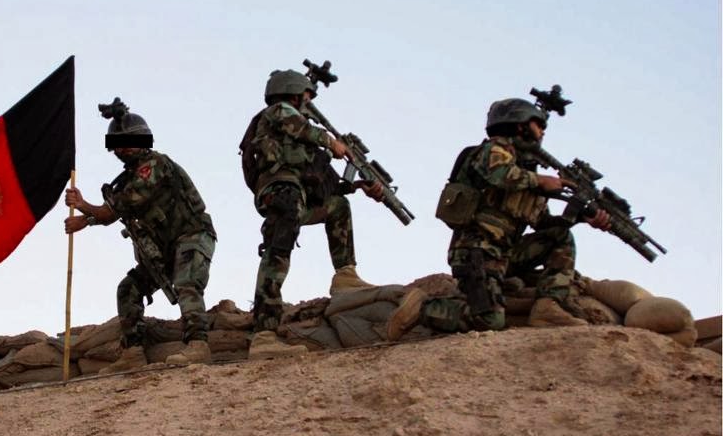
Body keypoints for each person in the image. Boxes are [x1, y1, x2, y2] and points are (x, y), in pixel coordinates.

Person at [387, 98, 610, 340]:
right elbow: (499, 175)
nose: (542, 132)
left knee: (560, 237)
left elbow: (542, 222)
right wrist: (541, 182)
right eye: (538, 125)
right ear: (519, 124)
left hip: (505, 254)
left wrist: (580, 217)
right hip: (476, 252)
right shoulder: (492, 151)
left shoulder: (525, 172)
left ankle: (547, 307)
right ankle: (421, 308)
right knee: (489, 321)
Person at [242, 69, 384, 359]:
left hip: (297, 193)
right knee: (279, 247)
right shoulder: (278, 112)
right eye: (306, 97)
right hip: (280, 189)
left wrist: (359, 185)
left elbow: (326, 186)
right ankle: (264, 333)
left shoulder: (300, 141)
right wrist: (331, 142)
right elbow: (301, 127)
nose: (309, 105)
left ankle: (345, 275)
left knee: (338, 208)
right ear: (293, 94)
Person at [64, 104, 217, 372]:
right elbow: (111, 214)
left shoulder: (154, 165)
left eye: (126, 144)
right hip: (162, 249)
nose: (121, 151)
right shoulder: (128, 178)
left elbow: (118, 207)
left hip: (191, 235)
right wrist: (86, 219)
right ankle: (133, 352)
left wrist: (84, 206)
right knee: (128, 289)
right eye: (117, 146)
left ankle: (197, 345)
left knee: (186, 284)